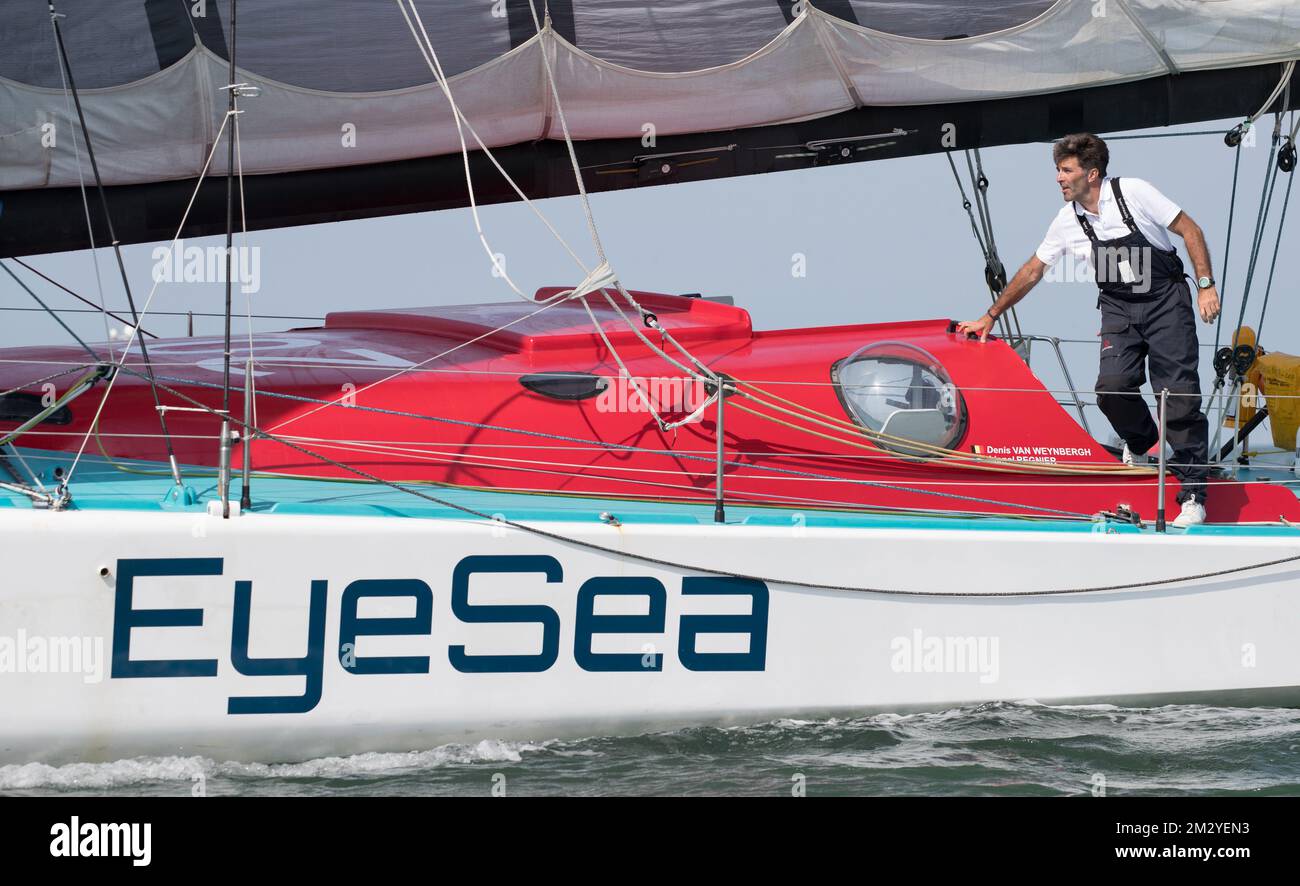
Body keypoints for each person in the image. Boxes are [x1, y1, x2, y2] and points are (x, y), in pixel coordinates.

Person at [956, 133, 1220, 527]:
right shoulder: (1068, 220)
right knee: (1111, 387)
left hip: (1167, 300)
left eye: (1066, 171)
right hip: (1118, 307)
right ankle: (1142, 443)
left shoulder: (1133, 192)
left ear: (1091, 174)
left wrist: (1205, 285)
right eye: (1058, 171)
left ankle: (1194, 495)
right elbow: (1033, 270)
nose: (1059, 179)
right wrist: (991, 315)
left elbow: (1191, 231)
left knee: (1177, 394)